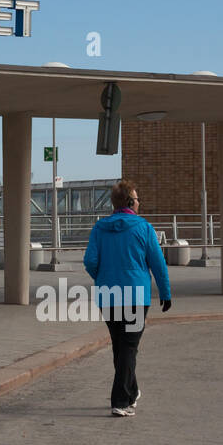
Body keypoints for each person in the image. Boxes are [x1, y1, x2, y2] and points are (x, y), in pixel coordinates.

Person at [83, 179, 172, 417]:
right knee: (129, 347)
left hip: (108, 296)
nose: (139, 202)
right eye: (137, 198)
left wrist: (103, 277)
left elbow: (90, 262)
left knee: (121, 346)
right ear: (131, 203)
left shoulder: (99, 228)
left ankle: (131, 390)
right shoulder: (143, 228)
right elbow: (158, 263)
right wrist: (165, 292)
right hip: (135, 296)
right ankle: (121, 401)